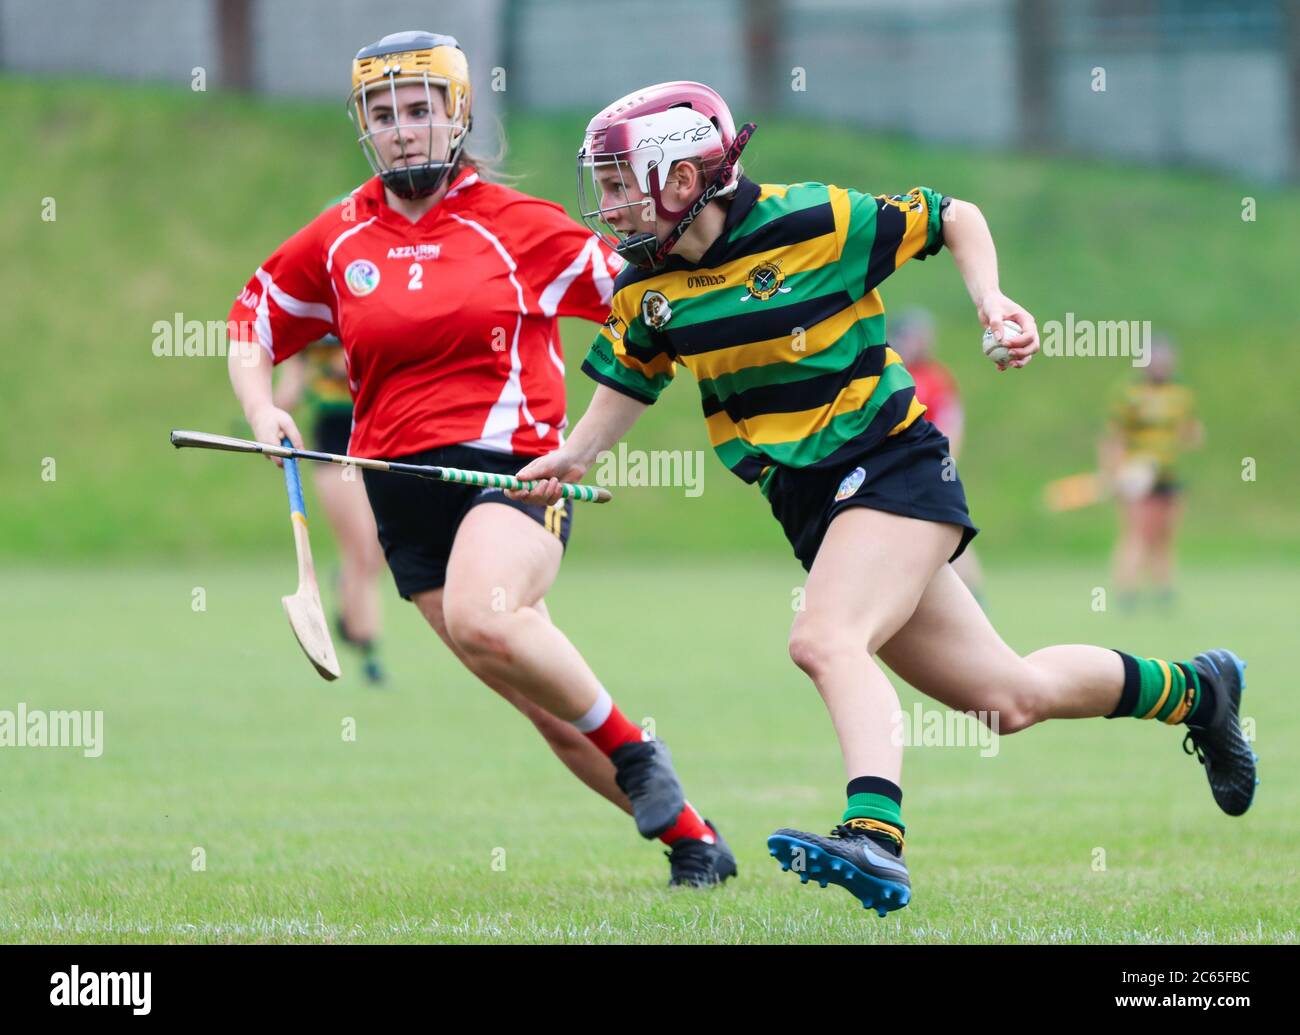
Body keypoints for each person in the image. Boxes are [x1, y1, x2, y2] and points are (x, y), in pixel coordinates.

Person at [511, 81, 1256, 915]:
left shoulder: (815, 221)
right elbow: (631, 379)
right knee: (1008, 698)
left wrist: (991, 302)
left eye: (619, 182)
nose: (605, 203)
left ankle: (874, 835)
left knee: (826, 637)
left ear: (682, 180)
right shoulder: (644, 281)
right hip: (807, 502)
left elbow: (952, 214)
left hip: (892, 462)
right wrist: (572, 455)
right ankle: (1198, 690)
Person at [225, 35, 736, 887]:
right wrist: (260, 407)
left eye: (419, 109)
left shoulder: (518, 227)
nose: (402, 131)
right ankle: (695, 842)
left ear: (456, 113)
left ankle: (640, 758)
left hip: (511, 476)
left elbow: (646, 301)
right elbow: (252, 318)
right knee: (545, 709)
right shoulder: (341, 235)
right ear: (364, 127)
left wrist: (736, 329)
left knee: (486, 615)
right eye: (383, 115)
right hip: (402, 498)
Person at [273, 334, 387, 683]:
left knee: (379, 550)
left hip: (381, 443)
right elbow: (288, 390)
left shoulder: (370, 317)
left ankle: (345, 586)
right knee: (362, 552)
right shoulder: (309, 330)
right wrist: (275, 413)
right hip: (334, 445)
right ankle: (369, 654)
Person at [890, 309, 985, 604]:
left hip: (930, 464)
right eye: (916, 336)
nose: (923, 343)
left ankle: (975, 598)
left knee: (948, 529)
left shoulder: (935, 378)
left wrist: (947, 458)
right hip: (893, 467)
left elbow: (952, 420)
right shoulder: (886, 373)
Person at [1101, 337, 1203, 610]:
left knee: (1165, 536)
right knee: (1136, 534)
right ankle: (1127, 592)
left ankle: (1163, 591)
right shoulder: (1129, 393)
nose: (1160, 365)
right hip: (1137, 478)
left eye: (1165, 360)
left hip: (1168, 476)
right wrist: (1116, 472)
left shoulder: (1180, 395)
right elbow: (1115, 437)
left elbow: (1189, 432)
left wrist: (1192, 435)